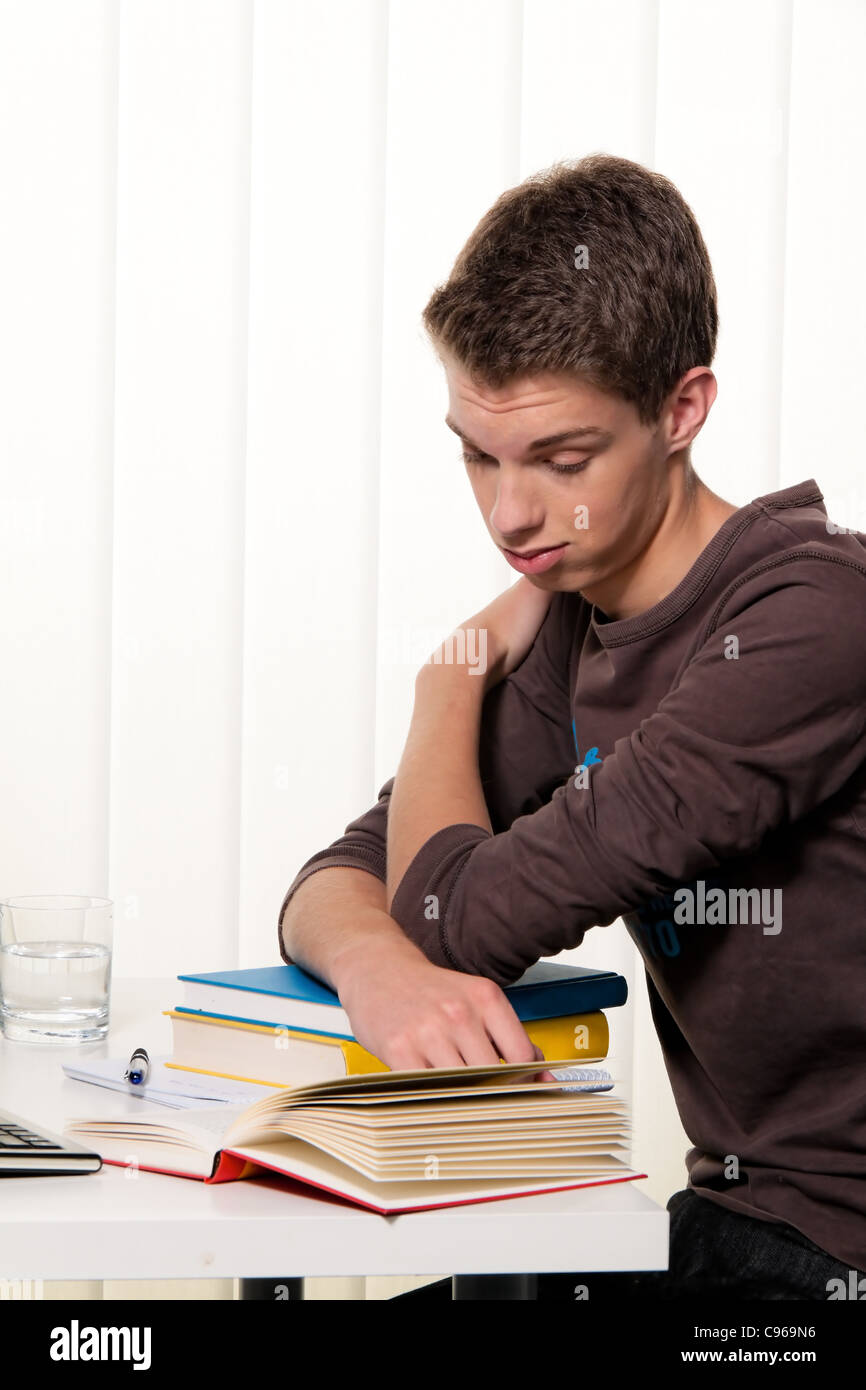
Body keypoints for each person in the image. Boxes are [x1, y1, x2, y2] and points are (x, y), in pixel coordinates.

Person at [277, 154, 866, 1299]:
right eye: (476, 454)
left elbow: (457, 910)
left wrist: (444, 678)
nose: (508, 514)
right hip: (731, 1236)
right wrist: (376, 972)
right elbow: (347, 873)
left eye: (561, 458)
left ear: (681, 408)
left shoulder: (814, 623)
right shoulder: (578, 629)